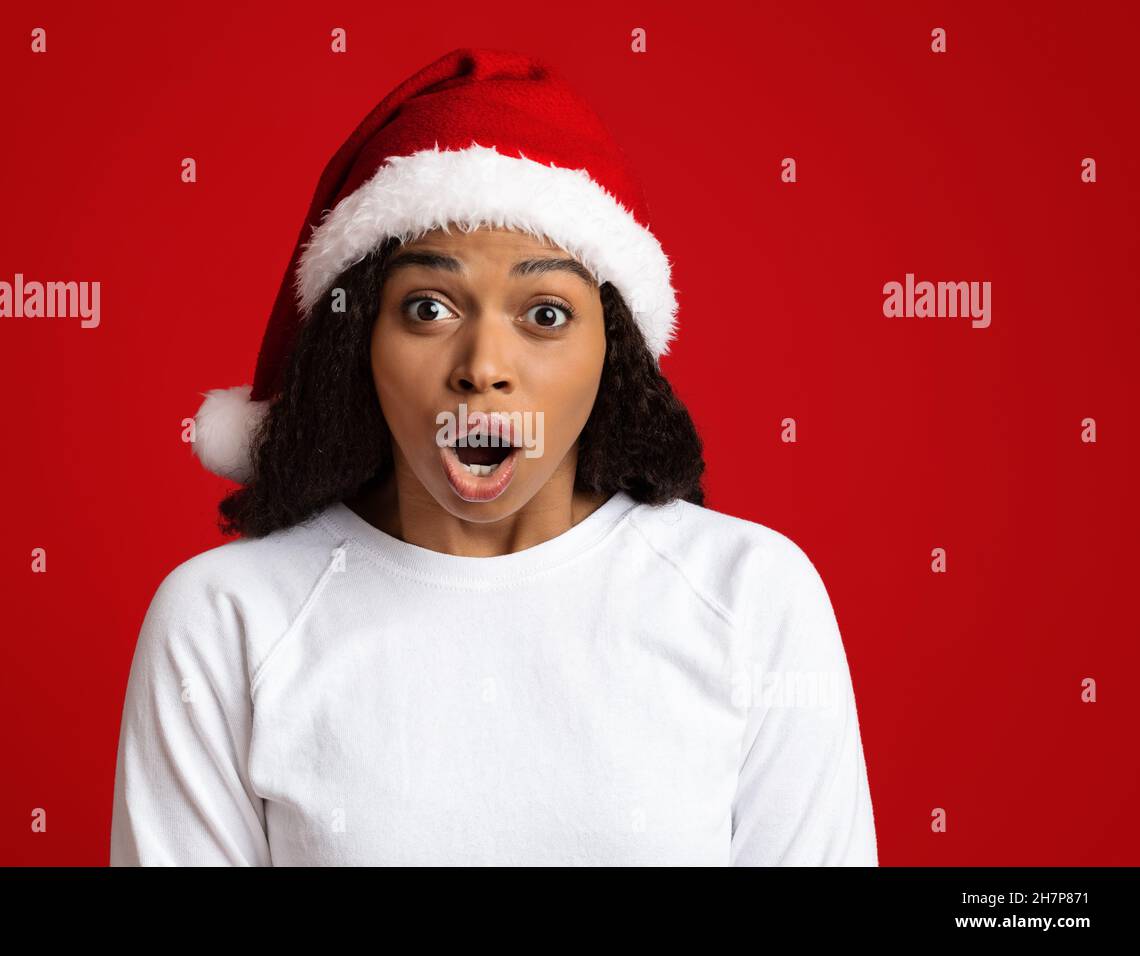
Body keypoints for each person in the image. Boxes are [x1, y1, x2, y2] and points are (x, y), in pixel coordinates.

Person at [109, 47, 878, 866]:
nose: (483, 364)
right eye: (428, 307)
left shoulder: (754, 600)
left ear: (610, 353)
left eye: (545, 313)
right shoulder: (223, 623)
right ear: (358, 339)